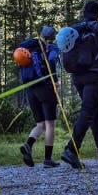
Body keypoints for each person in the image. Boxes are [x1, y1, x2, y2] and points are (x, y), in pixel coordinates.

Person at [61, 0, 98, 168]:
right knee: (88, 111)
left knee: (92, 111)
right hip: (95, 75)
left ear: (84, 13)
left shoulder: (75, 29)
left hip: (77, 77)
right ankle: (71, 149)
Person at [19, 26, 61, 168]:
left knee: (40, 124)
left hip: (31, 89)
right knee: (50, 124)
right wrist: (55, 80)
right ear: (53, 37)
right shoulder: (51, 47)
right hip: (45, 89)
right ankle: (48, 159)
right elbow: (53, 61)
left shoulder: (31, 47)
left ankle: (28, 145)